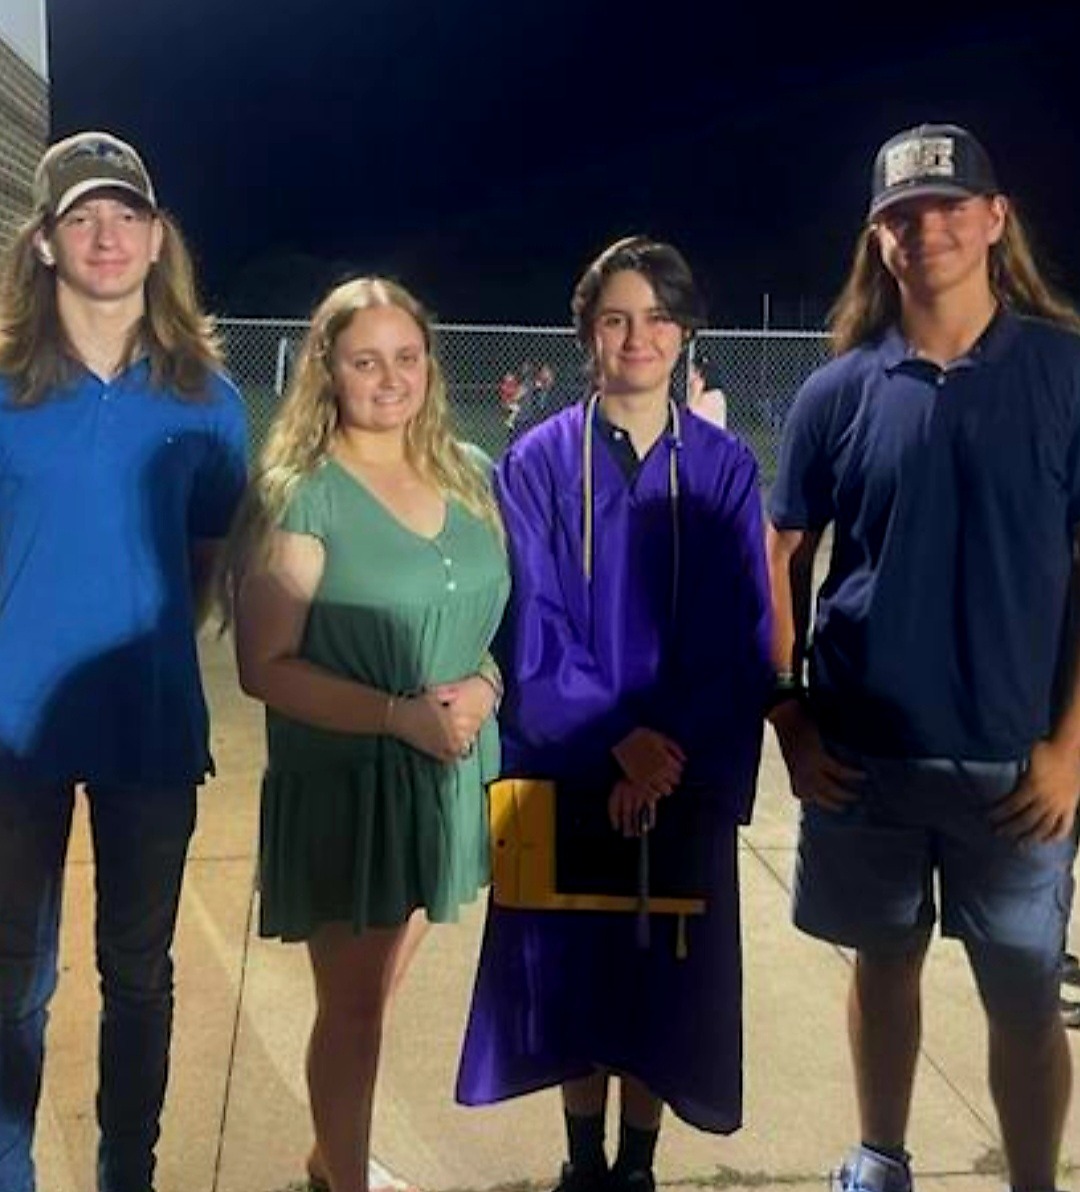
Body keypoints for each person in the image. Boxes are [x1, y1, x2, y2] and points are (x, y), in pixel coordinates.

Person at [767, 123, 1080, 1192]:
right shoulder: (839, 390)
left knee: (1024, 995)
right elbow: (783, 554)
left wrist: (1071, 746)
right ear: (879, 240)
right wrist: (791, 714)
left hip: (1015, 764)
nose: (927, 227)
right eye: (902, 214)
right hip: (865, 756)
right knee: (882, 962)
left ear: (995, 219)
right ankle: (880, 1156)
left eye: (949, 205)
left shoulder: (1063, 371)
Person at [456, 236, 772, 1192]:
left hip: (681, 767)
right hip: (572, 761)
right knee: (573, 969)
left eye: (658, 318)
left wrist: (666, 758)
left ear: (686, 331)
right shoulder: (536, 463)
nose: (638, 337)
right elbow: (531, 618)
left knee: (661, 972)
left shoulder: (723, 467)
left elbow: (737, 628)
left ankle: (636, 1167)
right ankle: (582, 1161)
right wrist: (614, 741)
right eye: (616, 318)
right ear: (587, 333)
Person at [0, 131, 248, 1192]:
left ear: (156, 240)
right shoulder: (5, 382)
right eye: (81, 217)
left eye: (126, 215)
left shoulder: (207, 397)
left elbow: (207, 558)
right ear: (45, 243)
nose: (106, 235)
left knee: (139, 977)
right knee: (13, 980)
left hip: (149, 727)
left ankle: (126, 1174)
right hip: (12, 729)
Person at [222, 277, 509, 1192]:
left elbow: (493, 620)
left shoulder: (468, 470)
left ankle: (326, 1154)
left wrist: (488, 687)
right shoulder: (301, 496)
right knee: (352, 1009)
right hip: (352, 782)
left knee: (374, 995)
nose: (390, 379)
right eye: (365, 361)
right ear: (327, 370)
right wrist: (397, 716)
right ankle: (344, 1179)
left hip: (447, 776)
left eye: (407, 357)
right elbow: (265, 665)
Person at [686, 357, 728, 429]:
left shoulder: (714, 395)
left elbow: (689, 418)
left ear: (699, 374)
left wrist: (695, 393)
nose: (690, 377)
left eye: (693, 371)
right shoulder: (704, 394)